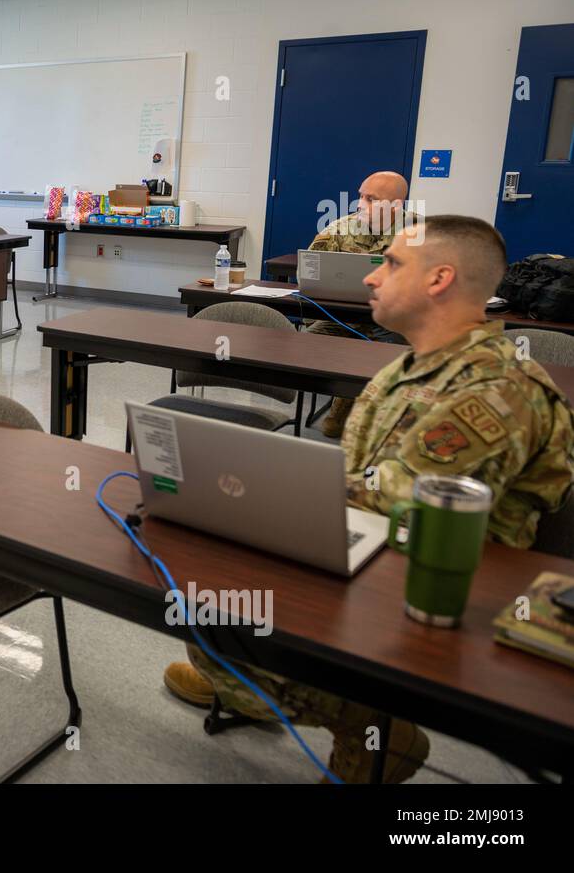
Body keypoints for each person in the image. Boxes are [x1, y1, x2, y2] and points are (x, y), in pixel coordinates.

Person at [164, 215, 574, 783]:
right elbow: (357, 480)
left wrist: (266, 490)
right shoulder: (409, 367)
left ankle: (366, 724)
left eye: (392, 264)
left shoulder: (495, 391)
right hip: (372, 554)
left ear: (440, 279)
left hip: (440, 597)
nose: (372, 279)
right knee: (209, 593)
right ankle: (257, 685)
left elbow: (399, 511)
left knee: (218, 623)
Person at [307, 171, 412, 437]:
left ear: (395, 205)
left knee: (381, 358)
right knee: (303, 347)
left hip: (395, 326)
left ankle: (375, 415)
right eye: (360, 195)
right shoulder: (341, 229)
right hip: (344, 319)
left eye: (371, 198)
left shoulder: (421, 235)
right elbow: (311, 272)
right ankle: (344, 400)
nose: (360, 203)